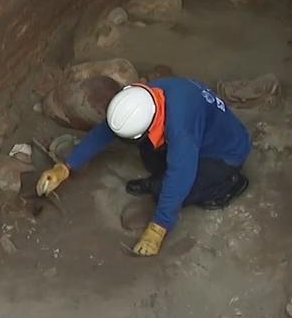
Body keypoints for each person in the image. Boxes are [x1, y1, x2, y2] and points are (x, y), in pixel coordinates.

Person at [36, 77, 251, 256]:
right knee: (150, 155)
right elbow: (107, 130)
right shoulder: (143, 99)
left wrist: (158, 227)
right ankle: (160, 182)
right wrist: (65, 167)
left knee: (170, 191)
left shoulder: (180, 129)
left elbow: (180, 175)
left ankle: (229, 184)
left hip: (224, 153)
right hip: (200, 135)